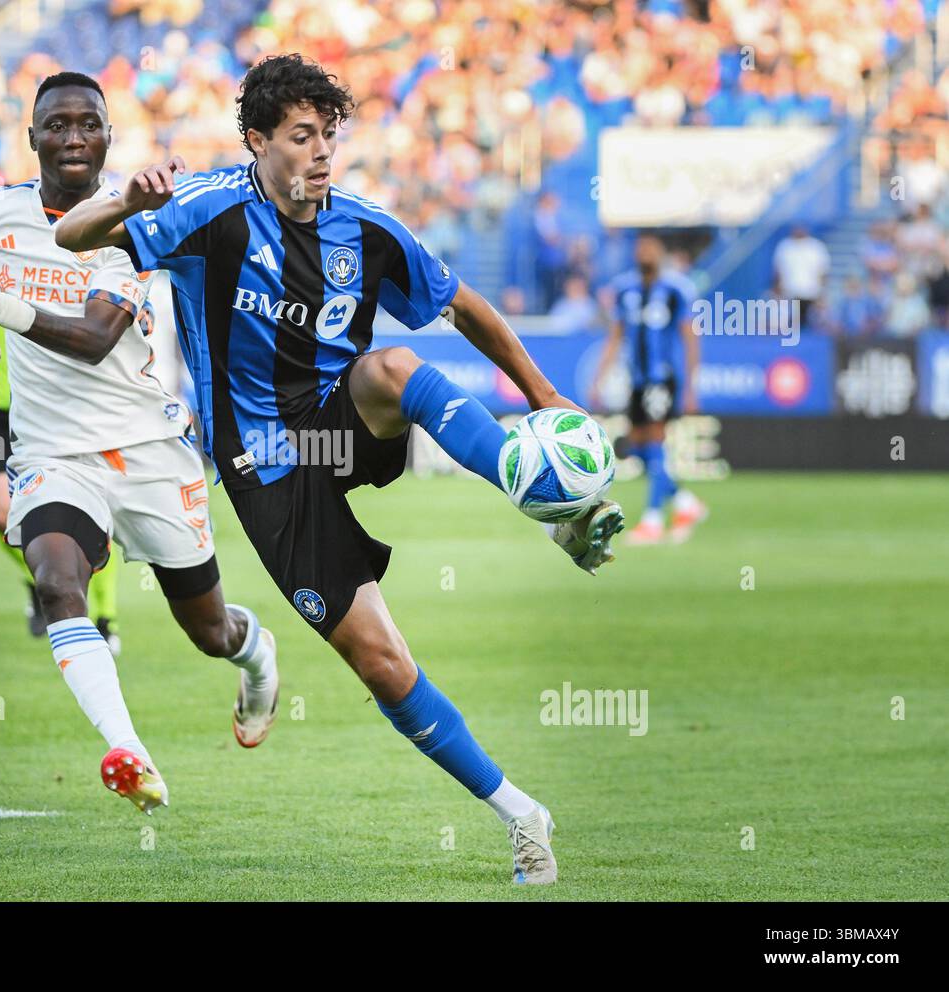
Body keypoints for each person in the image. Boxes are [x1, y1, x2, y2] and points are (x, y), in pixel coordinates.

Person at [54, 54, 625, 885]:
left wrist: (546, 398)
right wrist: (128, 200)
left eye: (329, 134)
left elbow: (462, 304)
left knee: (392, 367)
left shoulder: (365, 228)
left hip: (341, 424)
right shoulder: (206, 209)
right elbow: (73, 234)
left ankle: (532, 480)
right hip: (265, 470)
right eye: (300, 136)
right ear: (257, 140)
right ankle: (523, 816)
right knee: (385, 666)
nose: (321, 152)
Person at [0, 72, 280, 816]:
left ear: (109, 137)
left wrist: (1, 312)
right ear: (33, 139)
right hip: (53, 455)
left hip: (148, 451)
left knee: (210, 632)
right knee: (58, 583)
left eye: (88, 123)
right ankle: (131, 751)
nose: (73, 138)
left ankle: (256, 654)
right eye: (56, 125)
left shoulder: (133, 221)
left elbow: (93, 339)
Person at [0, 259, 122, 647]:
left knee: (88, 515)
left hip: (55, 405)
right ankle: (37, 581)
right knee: (0, 512)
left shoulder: (55, 258)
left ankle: (104, 614)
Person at [590, 234, 706, 544]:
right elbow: (615, 336)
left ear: (661, 252)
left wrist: (691, 385)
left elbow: (689, 337)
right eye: (640, 247)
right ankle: (685, 503)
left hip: (661, 378)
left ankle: (653, 521)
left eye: (651, 247)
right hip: (637, 380)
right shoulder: (624, 289)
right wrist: (599, 378)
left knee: (655, 440)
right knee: (638, 448)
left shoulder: (676, 289)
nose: (645, 252)